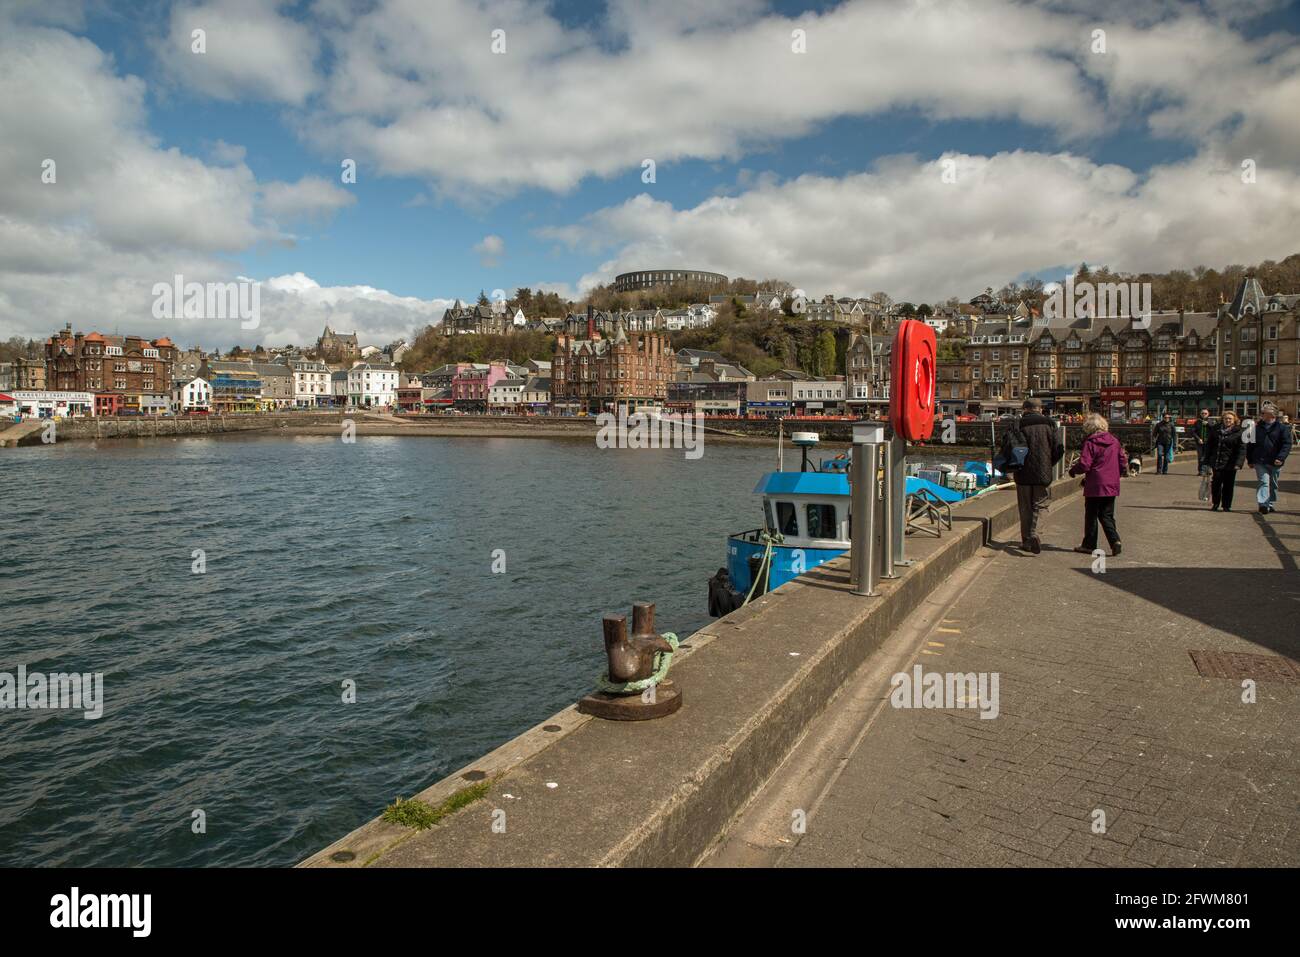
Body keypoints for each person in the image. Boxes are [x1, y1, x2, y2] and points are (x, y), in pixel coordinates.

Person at [1009, 397, 1064, 554]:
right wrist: (1049, 463)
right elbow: (1059, 449)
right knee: (1040, 505)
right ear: (1040, 409)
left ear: (1024, 409)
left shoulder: (1017, 424)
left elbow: (1008, 448)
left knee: (1025, 507)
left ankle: (1027, 541)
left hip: (1022, 472)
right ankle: (1034, 534)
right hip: (1043, 473)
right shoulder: (1050, 424)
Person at [1069, 413, 1126, 556]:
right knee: (1107, 515)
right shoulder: (1114, 441)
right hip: (1111, 484)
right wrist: (1118, 474)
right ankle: (1115, 541)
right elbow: (1122, 462)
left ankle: (1089, 545)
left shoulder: (1090, 442)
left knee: (1092, 515)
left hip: (1095, 484)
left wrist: (1073, 471)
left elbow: (1084, 464)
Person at [1246, 403, 1291, 514]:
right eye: (1262, 413)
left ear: (1272, 415)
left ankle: (1269, 503)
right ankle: (1263, 505)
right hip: (1260, 460)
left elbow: (1287, 444)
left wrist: (1280, 458)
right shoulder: (1256, 428)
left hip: (1275, 461)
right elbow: (1250, 444)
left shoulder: (1282, 428)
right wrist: (1250, 460)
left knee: (1273, 484)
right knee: (1263, 482)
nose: (1262, 415)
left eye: (1264, 413)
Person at [1204, 410, 1246, 511]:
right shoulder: (1216, 429)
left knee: (1228, 485)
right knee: (1216, 484)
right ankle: (1215, 503)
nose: (1228, 420)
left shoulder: (1239, 432)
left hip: (1230, 463)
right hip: (1217, 461)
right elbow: (1209, 445)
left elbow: (1242, 449)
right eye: (1226, 418)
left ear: (1234, 420)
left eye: (1230, 419)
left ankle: (1226, 505)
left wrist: (1239, 463)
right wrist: (1206, 460)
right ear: (1222, 419)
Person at [1190, 408, 1212, 475]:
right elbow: (1193, 432)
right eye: (1202, 413)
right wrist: (1198, 439)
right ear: (1200, 414)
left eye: (1205, 413)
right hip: (1199, 442)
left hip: (1209, 443)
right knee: (1200, 457)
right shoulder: (1197, 422)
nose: (1204, 415)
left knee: (1208, 456)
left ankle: (1208, 470)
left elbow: (1214, 430)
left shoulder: (1211, 421)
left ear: (1208, 414)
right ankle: (1201, 471)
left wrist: (1208, 424)